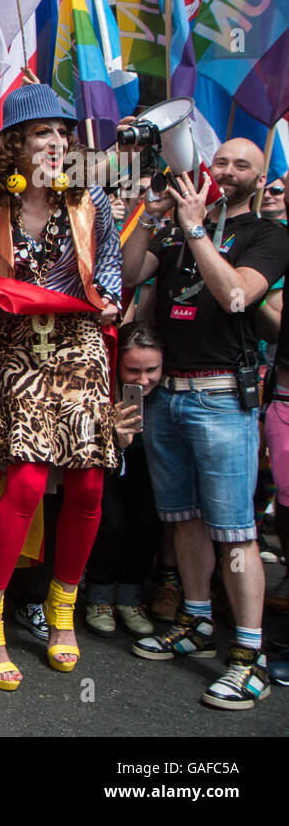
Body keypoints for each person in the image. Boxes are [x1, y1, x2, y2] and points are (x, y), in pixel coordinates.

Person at [0, 83, 122, 691]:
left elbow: (107, 271)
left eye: (62, 133)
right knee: (25, 478)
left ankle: (62, 610)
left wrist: (108, 301)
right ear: (15, 145)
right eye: (41, 134)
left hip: (80, 342)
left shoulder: (89, 197)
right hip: (20, 344)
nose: (55, 143)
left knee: (86, 483)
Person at [122, 137, 289, 709]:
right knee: (185, 520)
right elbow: (127, 271)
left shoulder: (269, 235)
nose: (227, 169)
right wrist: (153, 215)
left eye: (242, 163)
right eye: (221, 161)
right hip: (168, 395)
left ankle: (249, 656)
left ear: (260, 178)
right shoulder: (178, 226)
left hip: (222, 397)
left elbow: (238, 295)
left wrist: (195, 230)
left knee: (235, 531)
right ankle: (196, 621)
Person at [83, 322, 163, 640]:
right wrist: (113, 435)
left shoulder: (171, 395)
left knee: (148, 521)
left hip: (151, 460)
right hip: (109, 460)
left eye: (151, 370)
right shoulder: (99, 387)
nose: (143, 380)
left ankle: (131, 597)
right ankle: (100, 596)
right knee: (110, 522)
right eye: (133, 371)